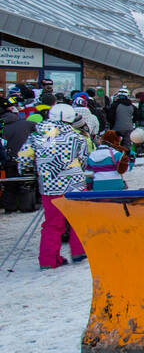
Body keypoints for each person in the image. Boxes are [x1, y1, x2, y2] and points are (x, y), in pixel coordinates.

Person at [16, 103, 89, 268]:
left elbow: (24, 159)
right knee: (78, 220)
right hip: (75, 185)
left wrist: (34, 170)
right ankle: (79, 252)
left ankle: (48, 260)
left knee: (52, 224)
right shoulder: (77, 137)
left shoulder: (36, 136)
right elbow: (83, 161)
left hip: (49, 186)